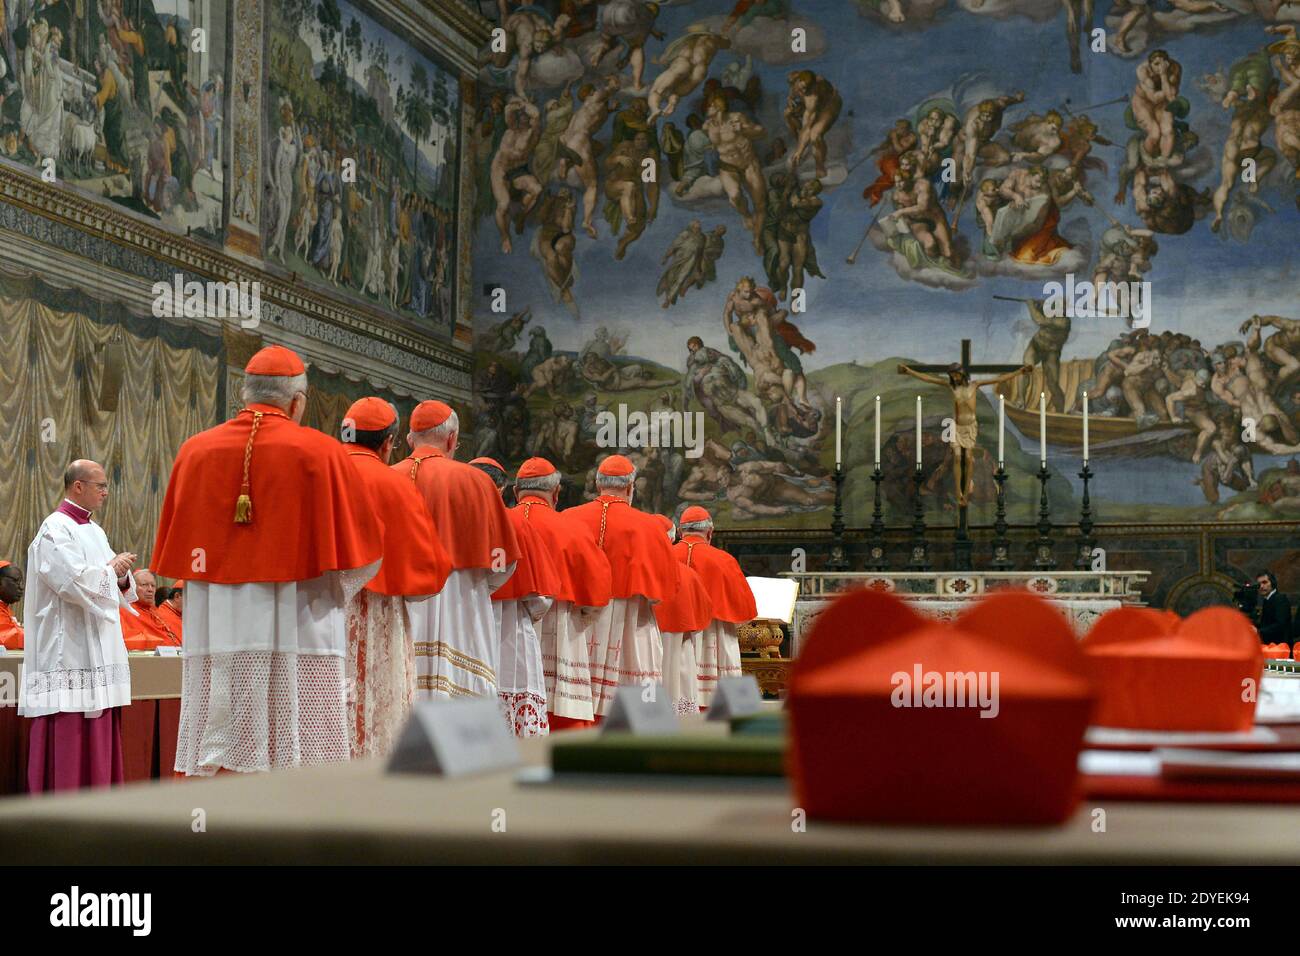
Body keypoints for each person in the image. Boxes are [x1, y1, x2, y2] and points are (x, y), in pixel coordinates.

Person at [152, 346, 384, 776]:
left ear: (245, 393)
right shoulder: (322, 452)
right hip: (301, 613)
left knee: (224, 735)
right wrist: (334, 591)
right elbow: (362, 555)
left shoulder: (195, 451)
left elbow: (180, 550)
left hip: (218, 615)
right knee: (297, 751)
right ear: (297, 401)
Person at [340, 397, 452, 758]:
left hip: (313, 613)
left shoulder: (316, 472)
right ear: (388, 443)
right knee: (376, 713)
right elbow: (426, 573)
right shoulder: (396, 485)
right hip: (377, 616)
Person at [19, 460, 139, 791]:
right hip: (68, 646)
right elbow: (70, 582)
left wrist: (123, 575)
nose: (105, 492)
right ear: (78, 487)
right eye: (100, 486)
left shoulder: (95, 530)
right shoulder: (55, 530)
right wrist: (110, 569)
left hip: (97, 644)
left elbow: (109, 576)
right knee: (69, 720)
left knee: (98, 714)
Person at [393, 401, 520, 702]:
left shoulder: (387, 476)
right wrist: (480, 586)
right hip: (461, 604)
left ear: (410, 440)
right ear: (451, 440)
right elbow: (502, 559)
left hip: (399, 600)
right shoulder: (477, 481)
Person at [562, 455, 680, 719]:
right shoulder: (649, 528)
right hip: (630, 621)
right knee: (634, 703)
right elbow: (661, 592)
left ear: (597, 484)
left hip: (576, 622)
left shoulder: (568, 518)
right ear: (630, 488)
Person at [512, 457, 613, 730]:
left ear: (515, 492)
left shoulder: (499, 522)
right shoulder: (572, 529)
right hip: (560, 633)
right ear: (556, 494)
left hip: (504, 633)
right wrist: (582, 618)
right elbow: (597, 592)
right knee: (561, 715)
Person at [474, 456, 564, 736]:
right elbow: (540, 598)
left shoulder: (455, 522)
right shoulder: (518, 525)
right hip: (512, 631)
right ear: (502, 490)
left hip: (466, 624)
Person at [672, 506, 757, 708]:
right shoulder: (724, 560)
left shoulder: (666, 555)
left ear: (680, 532)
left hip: (673, 635)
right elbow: (745, 611)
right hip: (714, 635)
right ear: (709, 532)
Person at [652, 516, 713, 715]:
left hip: (645, 642)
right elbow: (704, 614)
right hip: (678, 645)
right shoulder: (687, 574)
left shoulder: (638, 569)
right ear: (672, 537)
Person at [119, 568, 180, 650]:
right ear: (132, 586)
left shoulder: (156, 611)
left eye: (153, 586)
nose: (150, 590)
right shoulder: (125, 612)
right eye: (144, 585)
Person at [1255, 570, 1292, 648]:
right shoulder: (1267, 600)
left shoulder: (1280, 599)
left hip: (1281, 648)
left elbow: (1280, 625)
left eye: (1264, 582)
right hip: (1271, 647)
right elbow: (1267, 623)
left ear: (1273, 583)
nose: (1261, 586)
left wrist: (1258, 631)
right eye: (1259, 584)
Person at [0, 561, 23, 650]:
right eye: (15, 581)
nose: (21, 587)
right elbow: (8, 637)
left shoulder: (4, 607)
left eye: (21, 582)